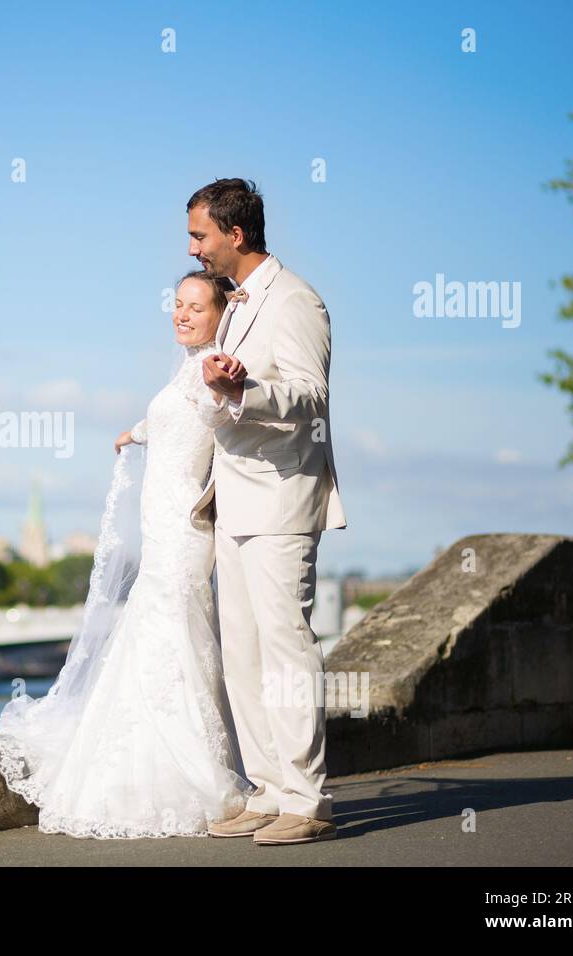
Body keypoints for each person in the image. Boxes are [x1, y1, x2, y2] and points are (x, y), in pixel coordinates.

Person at [0, 271, 254, 838]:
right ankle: (165, 766)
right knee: (159, 636)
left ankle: (187, 773)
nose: (182, 314)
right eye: (177, 305)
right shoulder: (188, 367)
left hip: (182, 527)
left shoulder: (215, 367)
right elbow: (178, 418)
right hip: (163, 525)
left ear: (222, 312)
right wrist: (136, 431)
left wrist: (226, 388)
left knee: (172, 633)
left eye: (195, 307)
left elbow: (224, 416)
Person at [188, 177, 347, 845]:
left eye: (199, 236)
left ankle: (308, 801)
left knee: (286, 652)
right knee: (244, 657)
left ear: (235, 234)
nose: (193, 249)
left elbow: (311, 395)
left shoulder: (296, 299)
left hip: (282, 499)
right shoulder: (234, 304)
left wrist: (243, 388)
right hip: (235, 502)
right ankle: (269, 789)